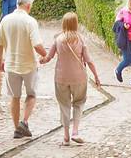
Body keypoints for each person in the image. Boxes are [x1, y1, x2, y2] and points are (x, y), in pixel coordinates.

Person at [42, 11, 102, 145]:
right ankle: (75, 131)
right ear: (76, 24)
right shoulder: (80, 40)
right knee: (79, 103)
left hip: (61, 78)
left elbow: (48, 57)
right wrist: (96, 76)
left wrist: (42, 60)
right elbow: (89, 61)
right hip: (79, 78)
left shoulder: (58, 39)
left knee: (64, 105)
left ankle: (66, 136)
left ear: (63, 23)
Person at [0, 0, 46, 138]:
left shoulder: (6, 20)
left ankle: (17, 128)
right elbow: (37, 45)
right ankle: (24, 122)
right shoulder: (30, 22)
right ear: (29, 6)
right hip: (29, 65)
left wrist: (0, 63)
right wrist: (46, 55)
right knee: (31, 94)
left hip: (11, 64)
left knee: (15, 97)